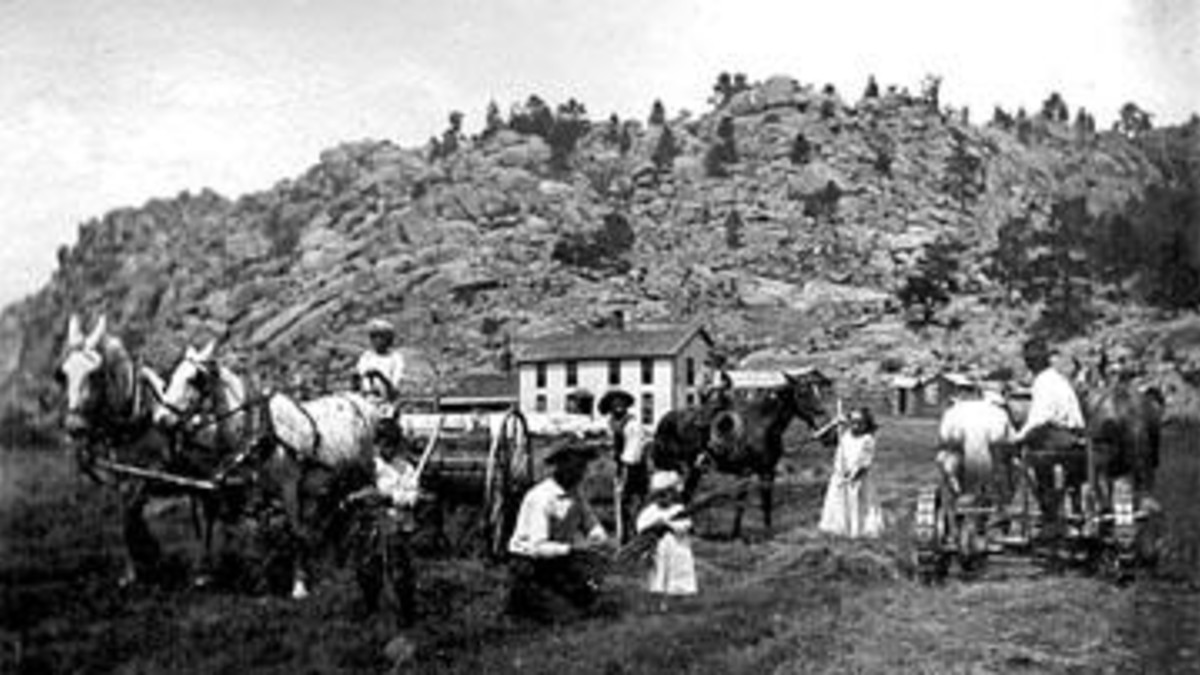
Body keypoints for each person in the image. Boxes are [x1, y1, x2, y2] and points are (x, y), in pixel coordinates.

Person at [506, 442, 611, 623]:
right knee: (567, 616)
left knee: (588, 602)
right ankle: (523, 599)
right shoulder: (542, 497)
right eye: (577, 466)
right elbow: (537, 547)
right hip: (529, 564)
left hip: (558, 561)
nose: (582, 472)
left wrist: (598, 538)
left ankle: (558, 595)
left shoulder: (575, 494)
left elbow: (592, 524)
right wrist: (573, 549)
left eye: (583, 466)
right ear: (562, 465)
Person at [818, 407, 884, 538]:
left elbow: (864, 463)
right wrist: (833, 424)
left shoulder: (867, 439)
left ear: (867, 424)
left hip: (858, 478)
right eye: (853, 421)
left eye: (860, 422)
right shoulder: (844, 435)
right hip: (840, 476)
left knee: (857, 503)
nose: (856, 425)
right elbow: (820, 437)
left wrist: (852, 476)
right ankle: (839, 527)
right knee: (839, 503)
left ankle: (857, 529)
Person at [635, 471, 697, 609]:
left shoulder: (678, 510)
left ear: (673, 495)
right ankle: (658, 602)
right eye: (658, 496)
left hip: (676, 549)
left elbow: (686, 525)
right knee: (659, 575)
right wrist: (653, 526)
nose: (662, 499)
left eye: (666, 495)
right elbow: (641, 526)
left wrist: (669, 525)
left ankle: (675, 603)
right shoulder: (650, 511)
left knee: (676, 576)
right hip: (658, 550)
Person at [1012, 338, 1085, 451]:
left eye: (1030, 360)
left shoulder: (1043, 382)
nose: (1029, 363)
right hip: (1075, 434)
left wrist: (1018, 438)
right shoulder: (1058, 378)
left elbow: (1039, 419)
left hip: (1060, 438)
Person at [599, 389, 648, 543]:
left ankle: (636, 540)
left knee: (634, 506)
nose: (618, 407)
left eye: (621, 404)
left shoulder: (633, 425)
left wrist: (623, 476)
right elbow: (612, 443)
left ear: (627, 406)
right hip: (622, 467)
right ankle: (624, 539)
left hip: (635, 470)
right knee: (622, 507)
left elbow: (631, 455)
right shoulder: (613, 424)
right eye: (614, 404)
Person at [355, 318, 407, 403]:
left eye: (380, 337)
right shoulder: (366, 356)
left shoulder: (395, 358)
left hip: (387, 400)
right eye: (373, 336)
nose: (376, 340)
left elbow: (395, 385)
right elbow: (360, 375)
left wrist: (380, 376)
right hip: (365, 399)